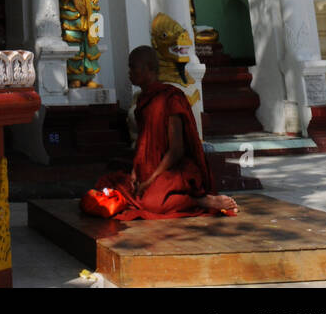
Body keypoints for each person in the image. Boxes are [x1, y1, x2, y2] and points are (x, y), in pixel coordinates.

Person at [83, 45, 237, 219]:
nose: (129, 72)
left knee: (152, 204)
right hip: (148, 169)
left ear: (149, 68)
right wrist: (135, 172)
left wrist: (150, 180)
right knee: (112, 186)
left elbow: (176, 150)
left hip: (172, 169)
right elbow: (143, 142)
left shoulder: (170, 98)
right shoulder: (143, 99)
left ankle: (202, 201)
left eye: (133, 67)